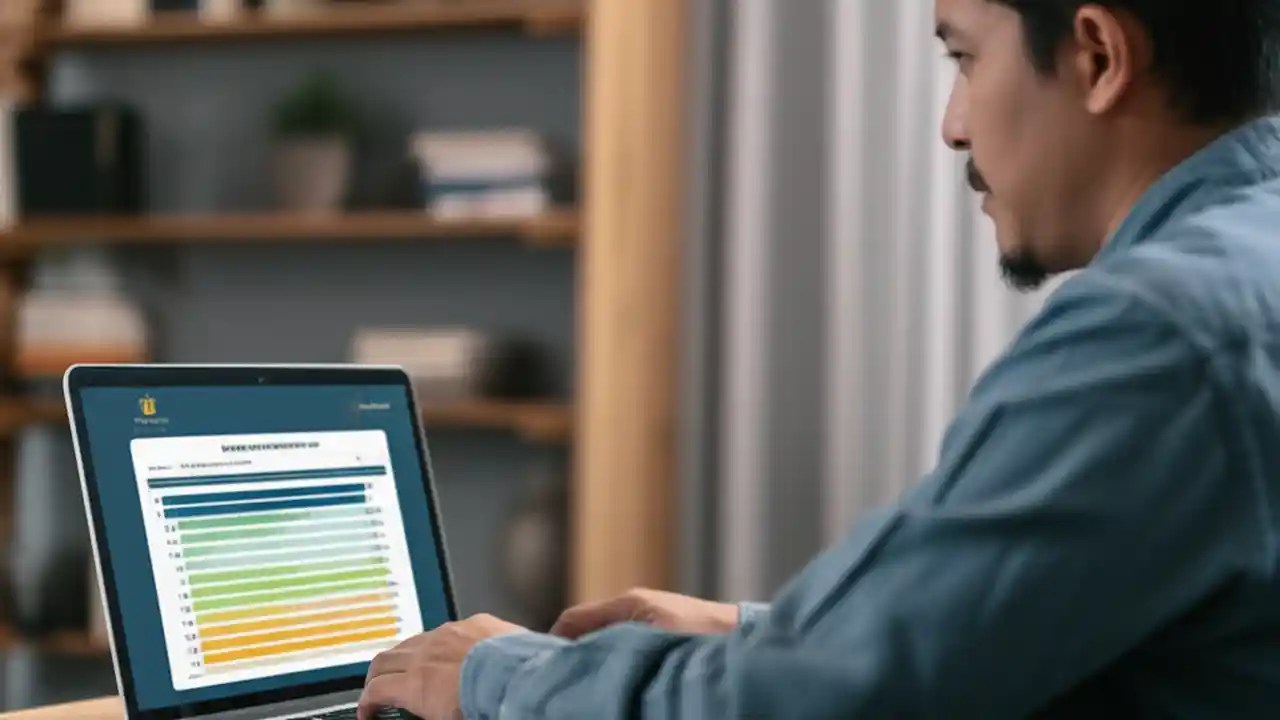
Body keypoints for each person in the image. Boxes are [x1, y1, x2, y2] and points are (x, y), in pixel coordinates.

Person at [359, 0, 1280, 716]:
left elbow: (815, 709)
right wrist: (764, 636)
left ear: (1097, 56)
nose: (954, 125)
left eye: (963, 58)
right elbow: (1109, 651)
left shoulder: (1158, 332)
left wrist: (490, 674)